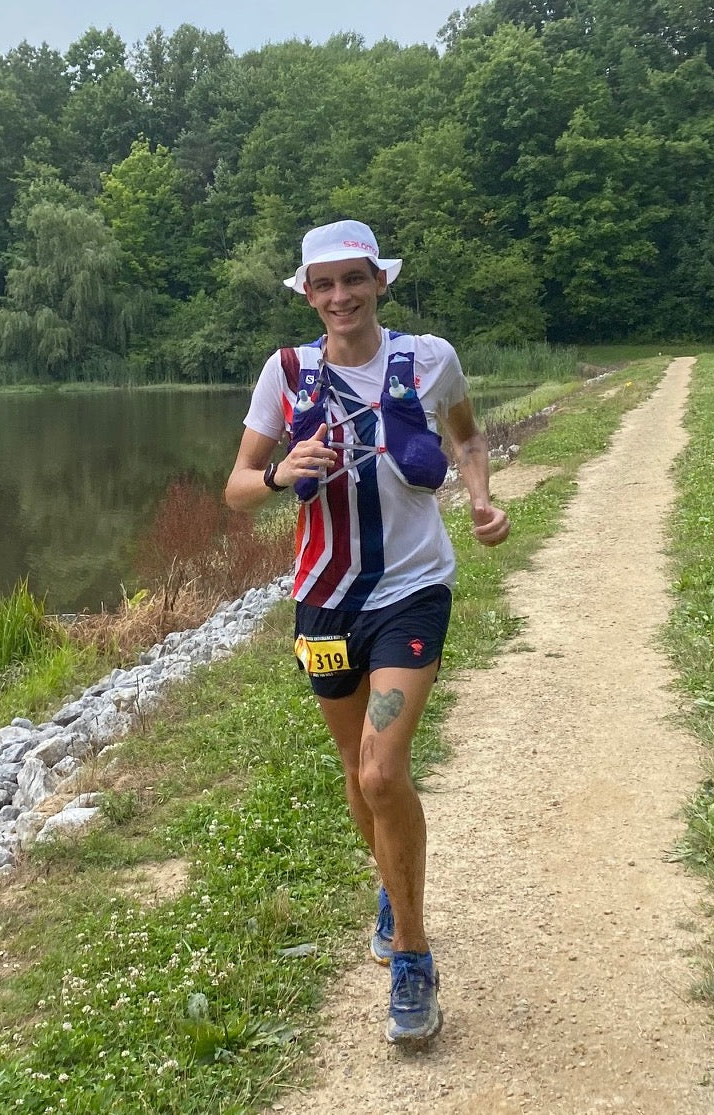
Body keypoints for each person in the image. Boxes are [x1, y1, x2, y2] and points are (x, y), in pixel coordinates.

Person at [224, 219, 510, 1045]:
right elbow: (235, 487)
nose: (340, 296)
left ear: (379, 281)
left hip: (412, 590)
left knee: (383, 770)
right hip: (323, 602)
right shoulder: (286, 373)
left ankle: (412, 958)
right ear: (308, 294)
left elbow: (466, 437)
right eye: (324, 284)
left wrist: (480, 497)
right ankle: (393, 883)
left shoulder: (429, 359)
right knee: (357, 771)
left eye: (354, 279)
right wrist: (278, 472)